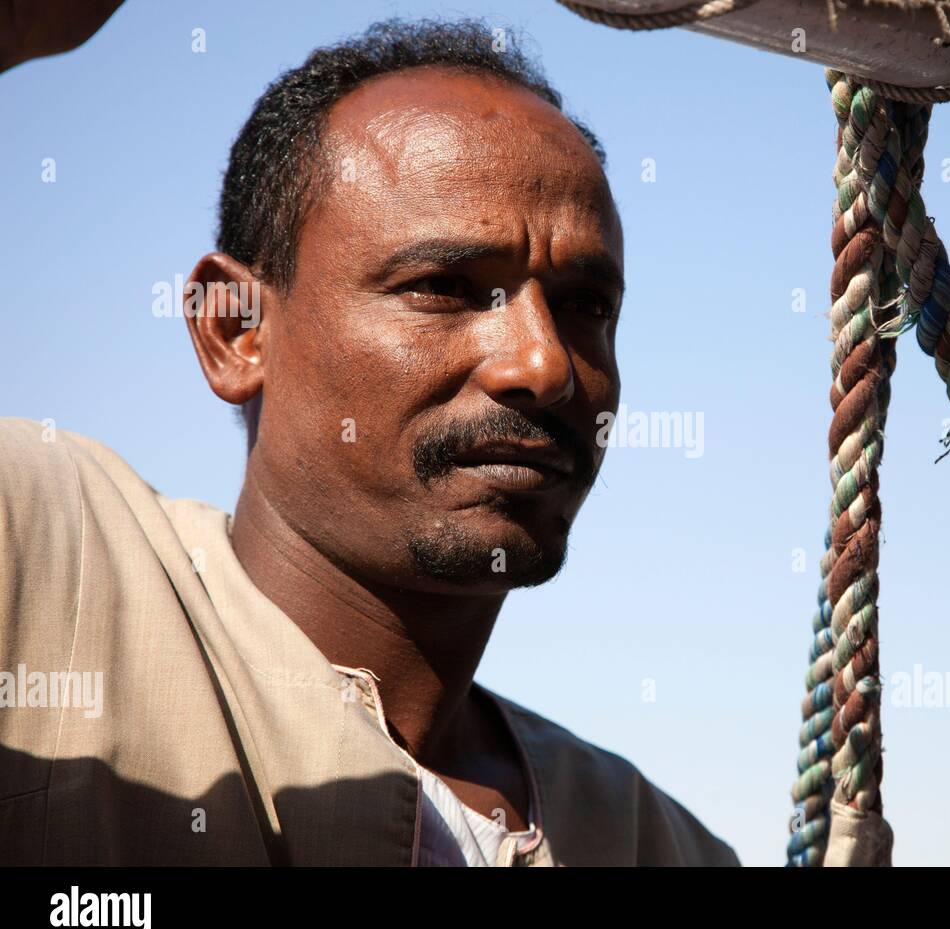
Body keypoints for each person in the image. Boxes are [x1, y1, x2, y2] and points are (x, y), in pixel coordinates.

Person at [0, 16, 739, 867]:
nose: (544, 365)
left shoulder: (652, 842)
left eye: (584, 305)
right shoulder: (52, 566)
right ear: (238, 330)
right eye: (445, 287)